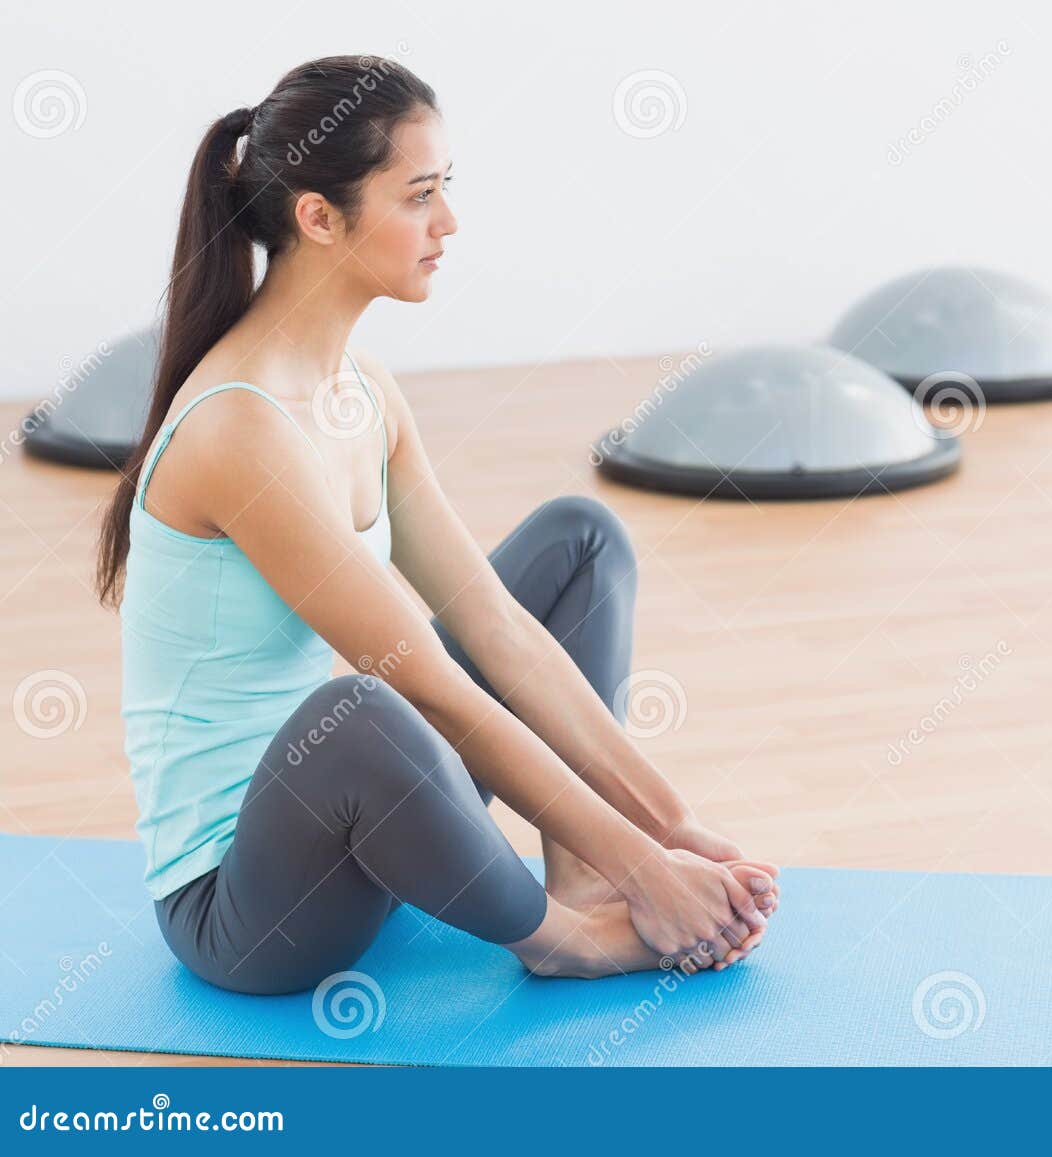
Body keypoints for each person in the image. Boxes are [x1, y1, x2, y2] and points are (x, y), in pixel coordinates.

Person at [94, 55, 778, 997]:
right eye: (419, 196)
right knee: (360, 709)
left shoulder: (364, 392)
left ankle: (571, 872)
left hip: (357, 833)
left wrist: (671, 828)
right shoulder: (236, 428)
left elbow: (495, 628)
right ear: (318, 217)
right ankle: (562, 938)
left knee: (576, 545)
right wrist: (651, 878)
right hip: (249, 911)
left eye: (445, 188)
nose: (447, 224)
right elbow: (434, 689)